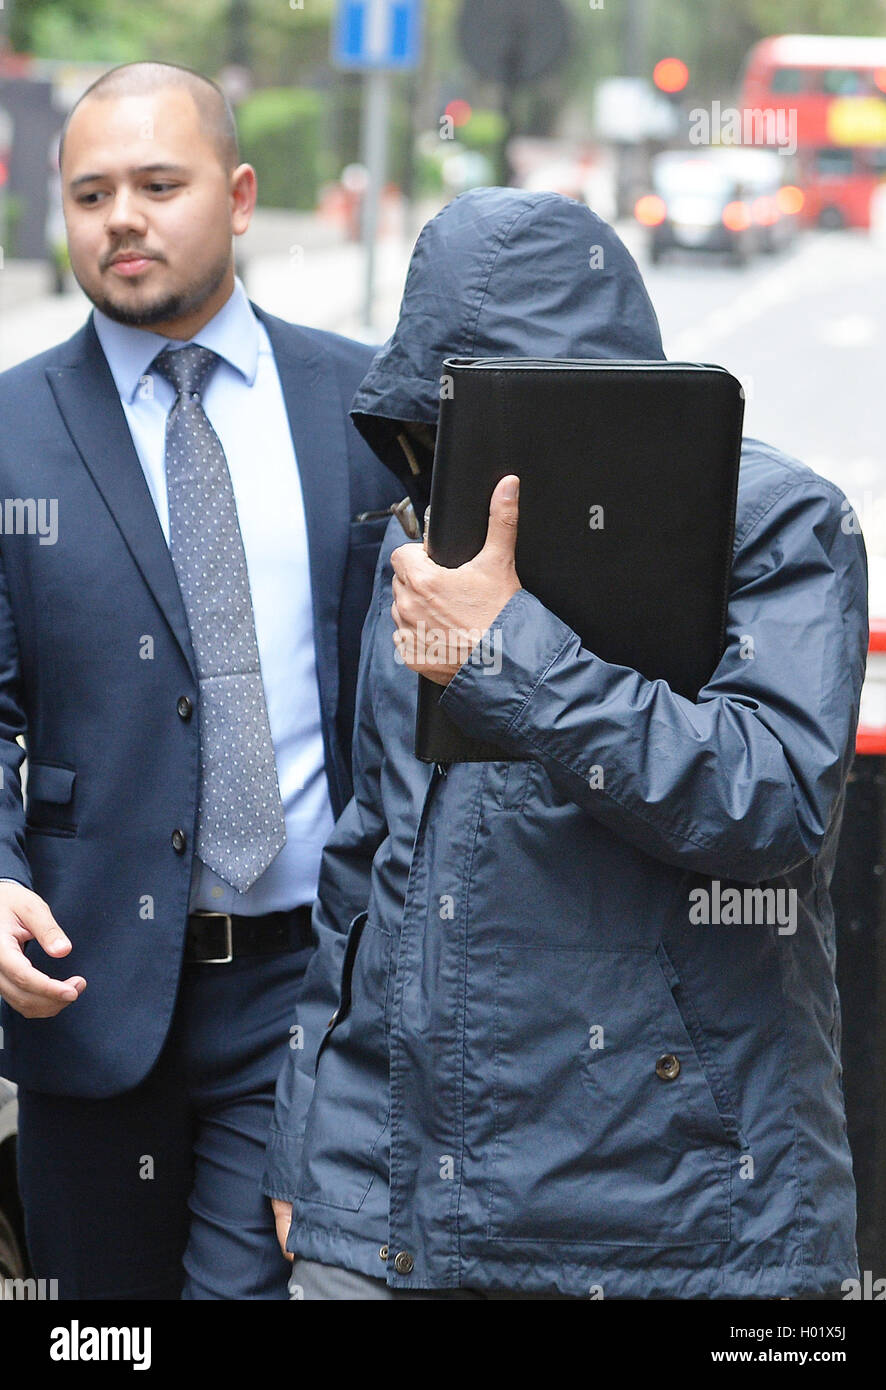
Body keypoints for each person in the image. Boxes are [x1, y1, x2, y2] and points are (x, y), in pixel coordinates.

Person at [265, 187, 869, 1299]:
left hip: (678, 1221)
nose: (458, 471)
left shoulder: (775, 519)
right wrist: (314, 1150)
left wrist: (505, 654)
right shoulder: (423, 545)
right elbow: (368, 867)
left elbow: (769, 801)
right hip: (388, 1218)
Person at [0, 61, 400, 1300]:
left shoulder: (369, 408)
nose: (121, 217)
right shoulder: (12, 431)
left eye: (157, 185)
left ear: (237, 194)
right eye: (90, 193)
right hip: (83, 992)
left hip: (306, 992)